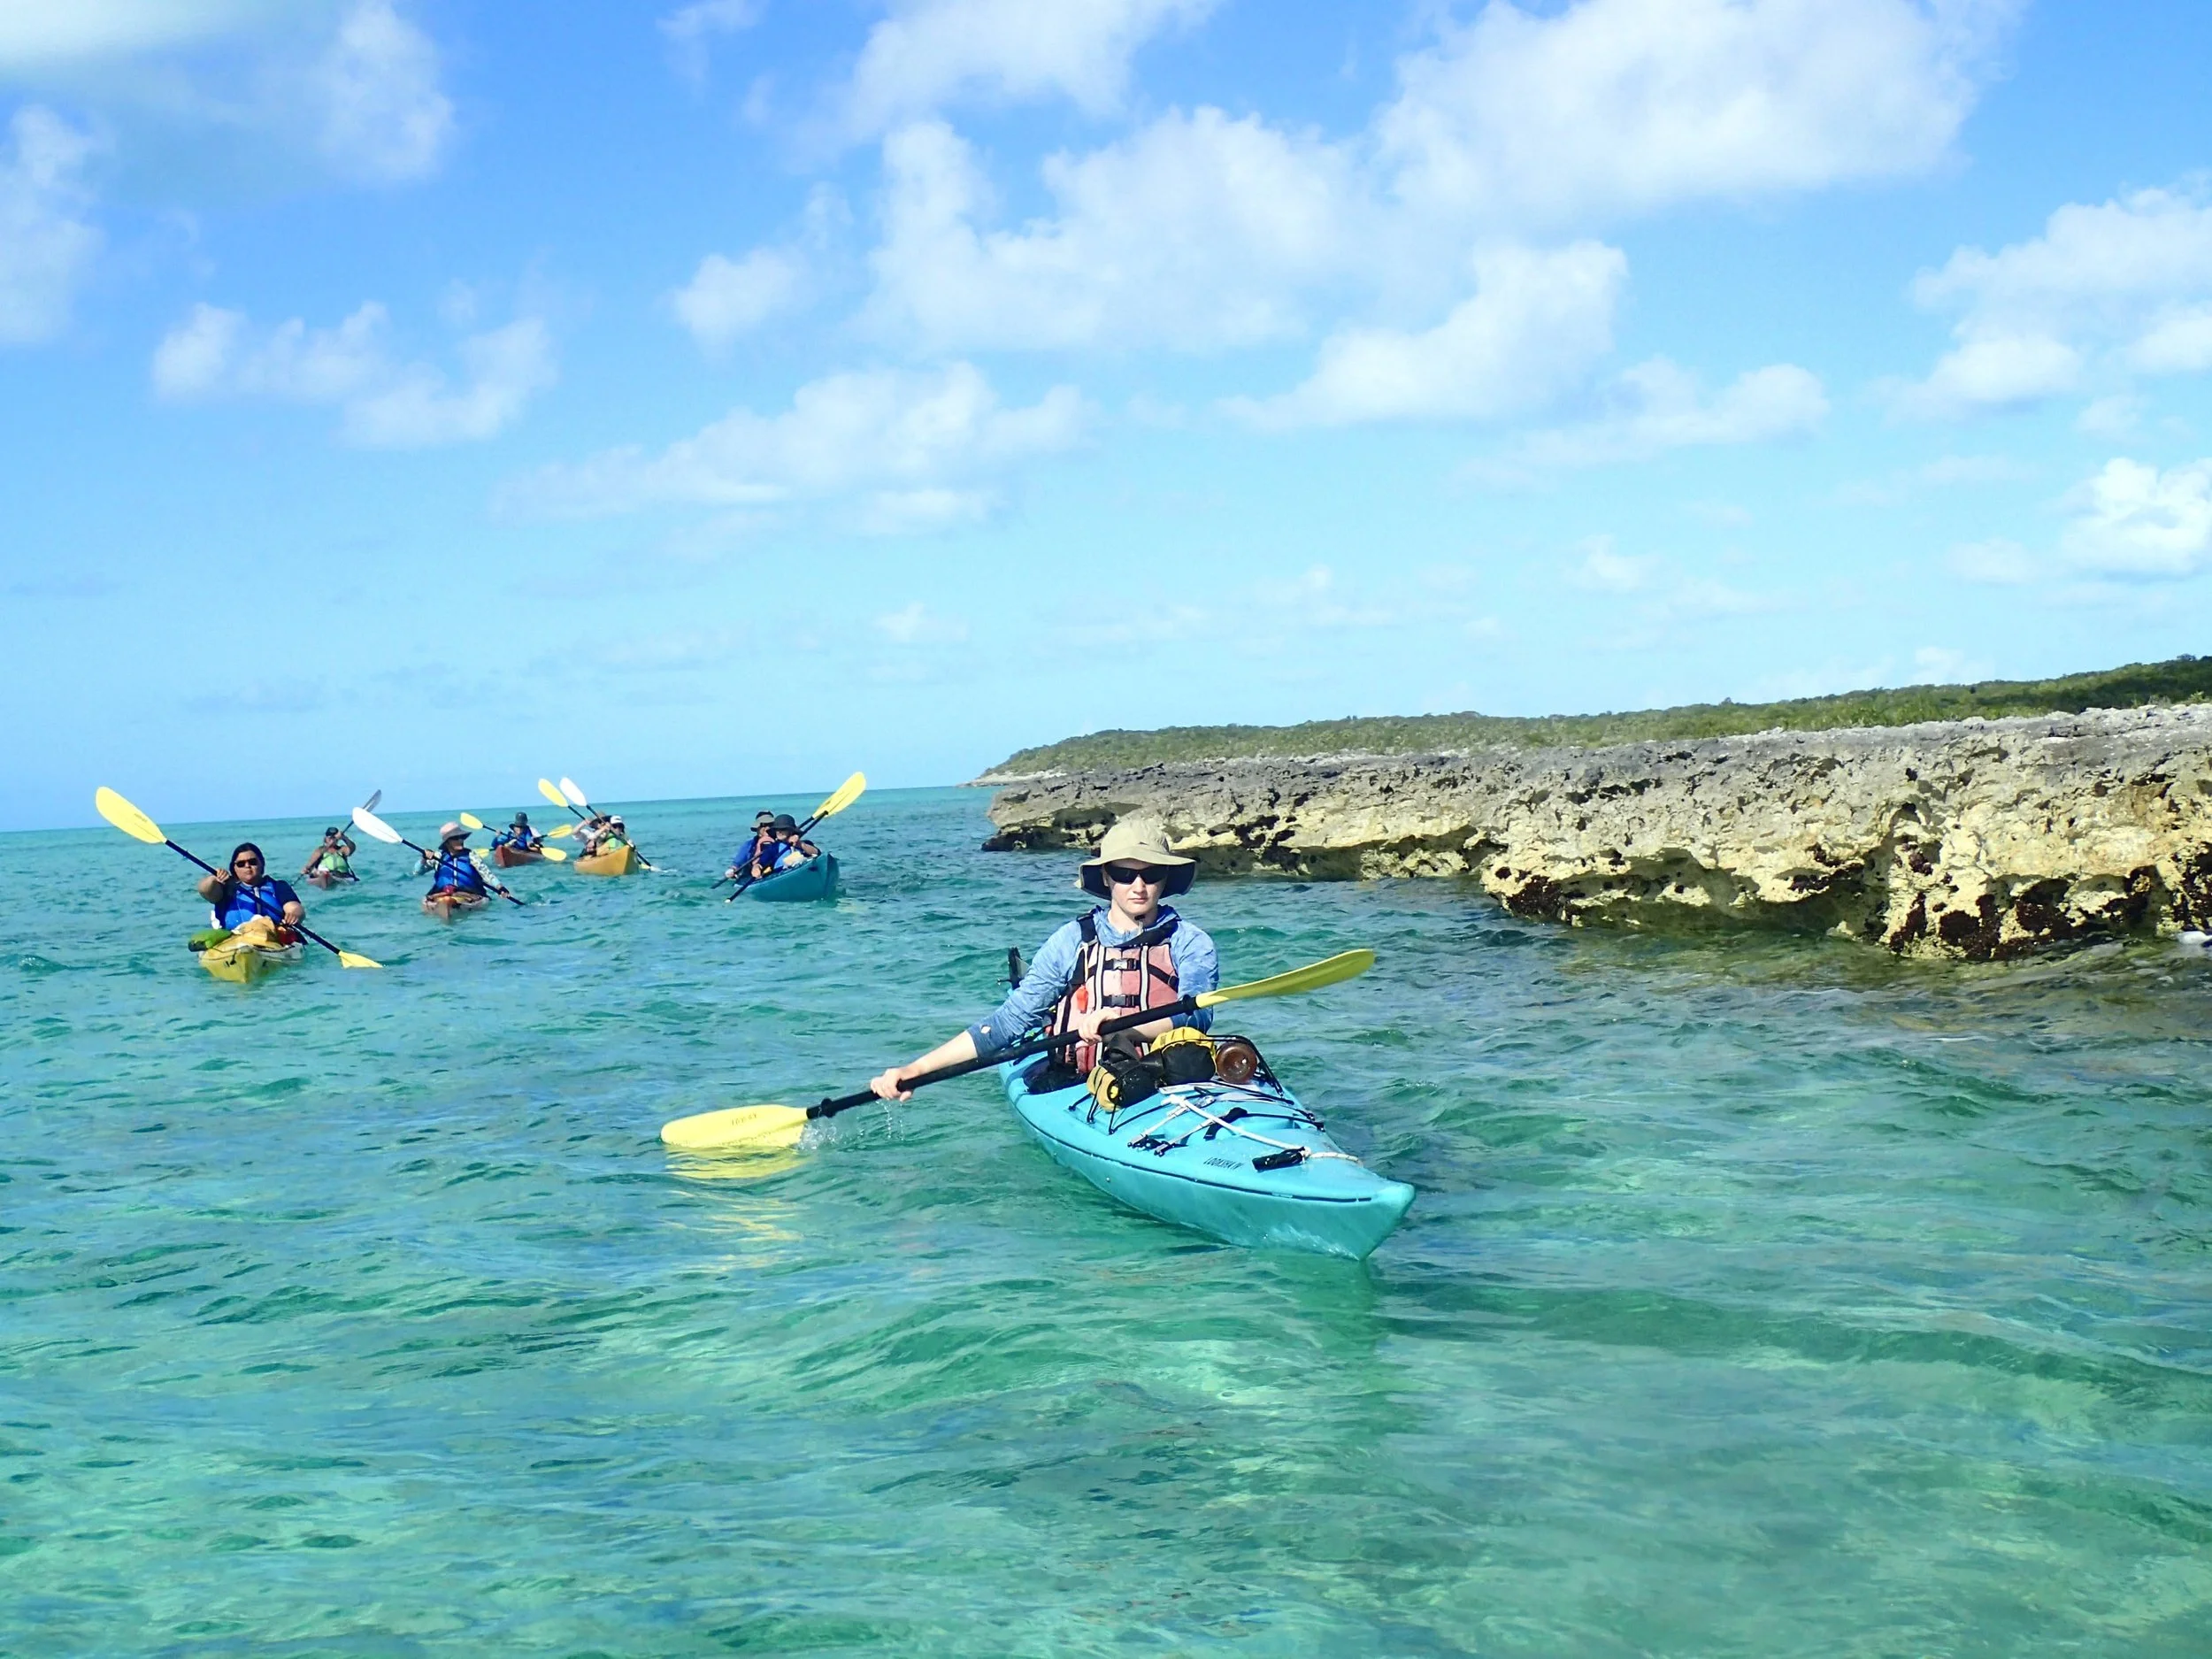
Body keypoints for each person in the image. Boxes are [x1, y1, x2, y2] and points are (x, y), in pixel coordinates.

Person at [870, 814, 1217, 1102]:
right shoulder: (1070, 941)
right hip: (1082, 1080)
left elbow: (1196, 1016)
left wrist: (1121, 1028)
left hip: (1165, 1076)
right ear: (1108, 877)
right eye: (1125, 874)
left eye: (1151, 873)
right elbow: (1008, 1024)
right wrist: (915, 1070)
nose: (1138, 886)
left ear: (1165, 877)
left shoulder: (1189, 942)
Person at [198, 842, 306, 933]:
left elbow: (294, 907)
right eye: (241, 864)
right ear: (234, 868)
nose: (247, 866)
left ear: (261, 863)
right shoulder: (226, 889)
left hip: (273, 938)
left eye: (252, 862)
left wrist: (294, 915)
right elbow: (205, 890)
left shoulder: (278, 886)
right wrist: (213, 878)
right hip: (234, 939)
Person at [425, 823, 493, 899]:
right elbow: (417, 871)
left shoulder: (472, 856)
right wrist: (424, 858)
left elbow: (487, 874)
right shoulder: (438, 856)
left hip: (470, 894)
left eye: (462, 837)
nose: (460, 840)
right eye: (455, 838)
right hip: (442, 893)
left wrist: (500, 887)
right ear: (447, 842)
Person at [750, 813, 818, 879]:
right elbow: (760, 864)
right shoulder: (773, 848)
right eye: (777, 829)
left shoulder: (804, 844)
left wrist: (800, 844)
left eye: (783, 829)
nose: (779, 832)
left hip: (802, 875)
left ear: (791, 831)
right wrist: (756, 868)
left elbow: (817, 853)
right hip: (780, 877)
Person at [725, 810, 777, 881]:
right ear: (757, 828)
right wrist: (732, 870)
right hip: (751, 878)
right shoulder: (749, 845)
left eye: (770, 825)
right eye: (763, 825)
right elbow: (737, 863)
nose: (767, 828)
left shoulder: (781, 842)